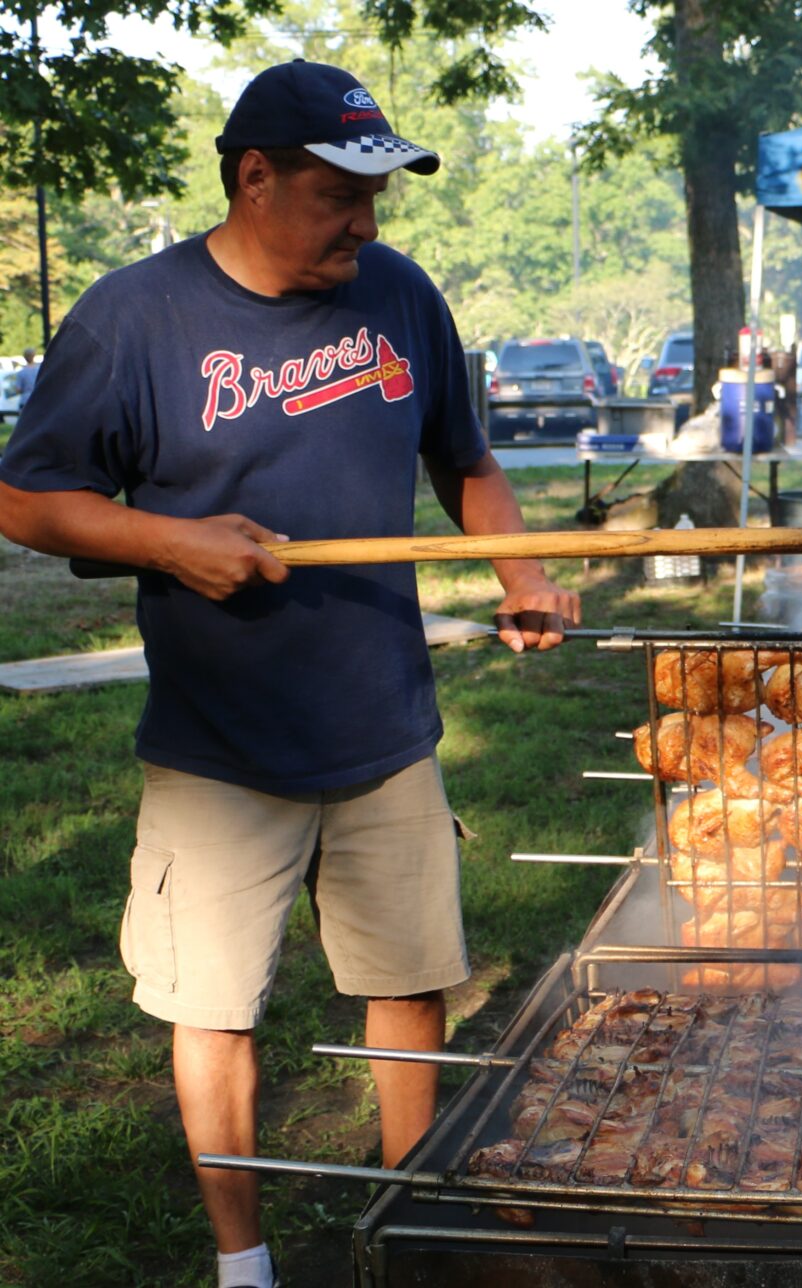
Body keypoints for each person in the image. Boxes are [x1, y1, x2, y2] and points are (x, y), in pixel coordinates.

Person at [0, 61, 579, 1288]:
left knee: (411, 980)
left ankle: (412, 1224)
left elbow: (464, 460)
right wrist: (168, 540)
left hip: (384, 726)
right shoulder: (134, 316)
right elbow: (26, 496)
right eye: (338, 196)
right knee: (213, 1008)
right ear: (252, 177)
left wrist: (521, 574)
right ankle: (243, 1262)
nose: (365, 226)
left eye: (377, 197)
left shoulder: (400, 298)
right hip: (220, 749)